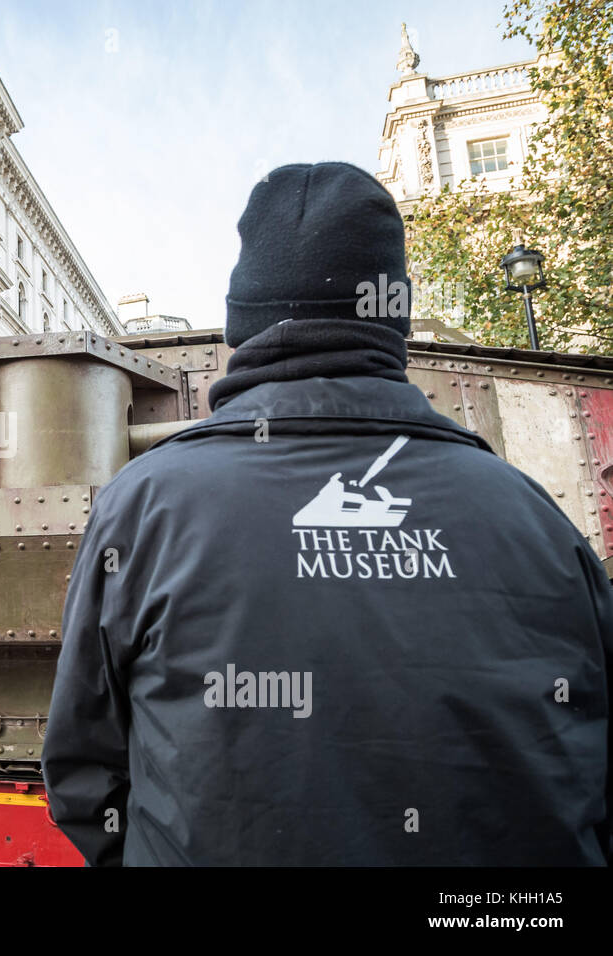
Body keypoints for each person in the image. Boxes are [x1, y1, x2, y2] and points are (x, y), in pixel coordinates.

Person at [42, 161, 613, 866]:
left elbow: (83, 770)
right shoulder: (531, 515)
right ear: (392, 315)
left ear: (241, 322)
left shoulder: (145, 506)